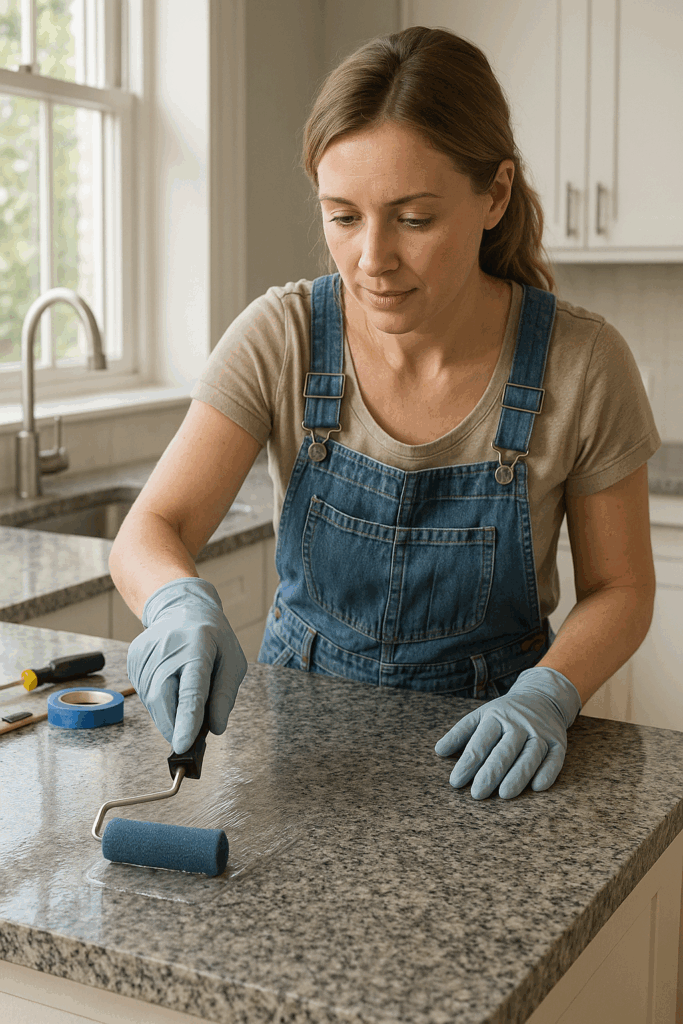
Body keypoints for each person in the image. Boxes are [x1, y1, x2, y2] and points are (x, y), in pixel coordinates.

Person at [110, 26, 659, 801]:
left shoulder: (581, 362)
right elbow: (150, 530)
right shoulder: (284, 335)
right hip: (301, 758)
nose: (372, 259)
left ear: (494, 194)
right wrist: (175, 603)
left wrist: (549, 693)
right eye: (342, 216)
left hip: (490, 764)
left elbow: (621, 587)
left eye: (412, 219)